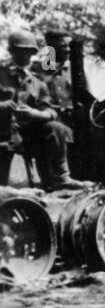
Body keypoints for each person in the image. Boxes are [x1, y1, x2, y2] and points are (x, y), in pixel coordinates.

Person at [0, 29, 77, 189]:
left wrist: (34, 113)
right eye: (21, 51)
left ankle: (60, 177)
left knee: (56, 127)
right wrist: (2, 106)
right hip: (3, 133)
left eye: (29, 52)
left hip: (26, 137)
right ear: (12, 51)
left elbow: (50, 111)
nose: (25, 55)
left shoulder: (37, 82)